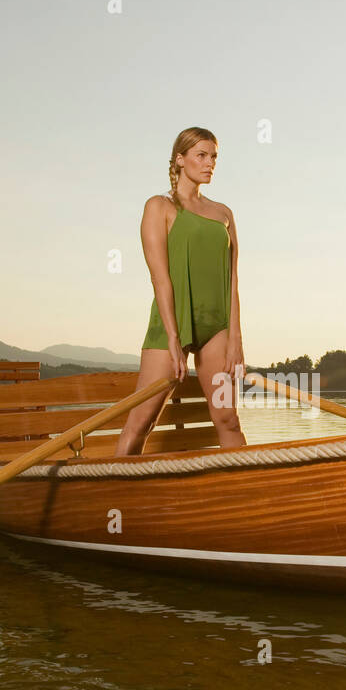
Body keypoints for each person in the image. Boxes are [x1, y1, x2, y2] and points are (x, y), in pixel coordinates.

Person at [115, 127, 247, 456]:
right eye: (201, 155)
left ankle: (243, 493)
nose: (210, 163)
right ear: (180, 159)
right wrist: (174, 338)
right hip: (170, 323)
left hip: (216, 328)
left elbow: (232, 280)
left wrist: (235, 338)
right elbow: (160, 278)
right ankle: (115, 495)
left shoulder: (224, 214)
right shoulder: (159, 207)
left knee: (228, 418)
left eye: (214, 156)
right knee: (142, 420)